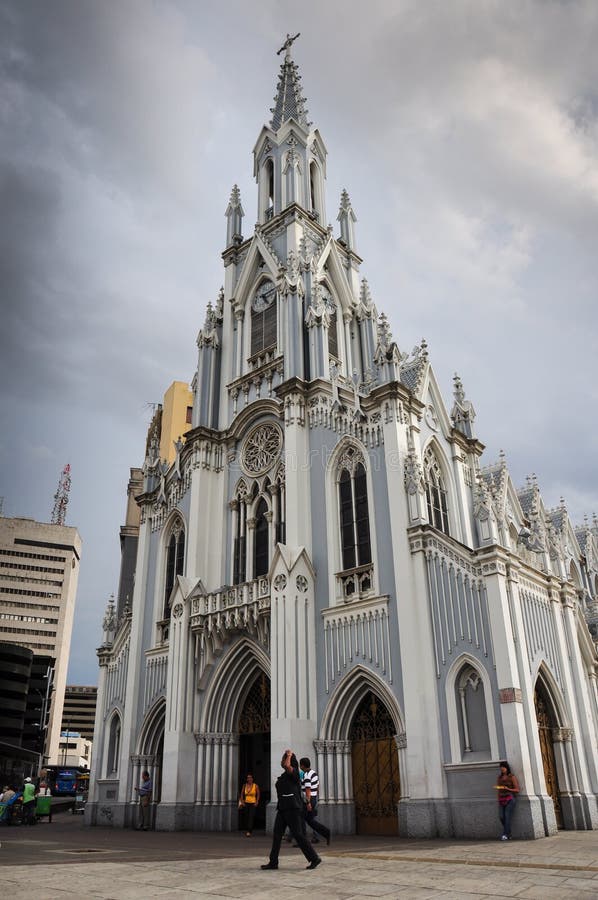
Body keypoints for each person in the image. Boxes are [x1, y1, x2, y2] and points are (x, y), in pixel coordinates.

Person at [261, 749, 321, 871]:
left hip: (293, 808)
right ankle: (273, 862)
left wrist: (288, 755)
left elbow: (288, 766)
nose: (282, 761)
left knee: (298, 834)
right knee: (277, 834)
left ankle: (314, 858)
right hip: (283, 808)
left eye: (284, 759)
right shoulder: (285, 775)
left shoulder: (294, 773)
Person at [299, 757, 331, 845]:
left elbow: (307, 789)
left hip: (308, 800)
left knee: (301, 819)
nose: (300, 767)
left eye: (300, 765)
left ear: (302, 765)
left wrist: (308, 803)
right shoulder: (314, 773)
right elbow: (317, 787)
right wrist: (314, 798)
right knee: (310, 820)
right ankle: (326, 832)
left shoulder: (306, 775)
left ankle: (302, 841)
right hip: (313, 798)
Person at [495, 761, 520, 840]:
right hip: (501, 799)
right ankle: (509, 834)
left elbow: (517, 790)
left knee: (507, 817)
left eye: (503, 767)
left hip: (510, 799)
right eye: (501, 767)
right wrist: (498, 797)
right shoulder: (499, 778)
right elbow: (498, 790)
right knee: (501, 817)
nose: (502, 768)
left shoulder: (512, 777)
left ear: (507, 768)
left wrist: (508, 789)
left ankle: (505, 834)